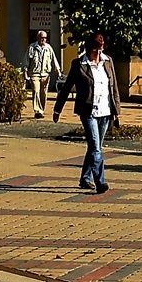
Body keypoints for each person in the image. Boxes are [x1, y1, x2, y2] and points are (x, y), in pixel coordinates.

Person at [52, 32, 119, 193]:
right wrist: (57, 109)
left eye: (101, 49)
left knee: (95, 146)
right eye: (96, 50)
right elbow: (67, 88)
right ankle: (100, 181)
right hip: (88, 111)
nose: (99, 53)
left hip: (105, 111)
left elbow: (114, 86)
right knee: (96, 147)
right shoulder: (79, 64)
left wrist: (116, 109)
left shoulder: (108, 62)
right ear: (89, 48)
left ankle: (85, 178)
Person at [25, 29, 60, 119]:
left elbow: (54, 60)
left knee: (43, 93)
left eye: (45, 38)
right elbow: (26, 60)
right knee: (36, 91)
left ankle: (41, 110)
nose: (43, 40)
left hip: (45, 74)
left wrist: (58, 71)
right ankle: (37, 111)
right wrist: (25, 72)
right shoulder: (32, 47)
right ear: (38, 38)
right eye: (41, 38)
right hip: (34, 73)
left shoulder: (48, 48)